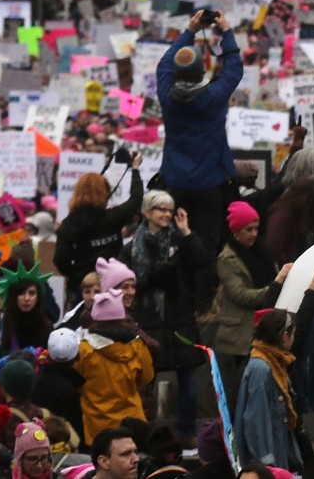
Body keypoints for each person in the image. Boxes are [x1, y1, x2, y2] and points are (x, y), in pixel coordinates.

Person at [157, 9, 245, 255]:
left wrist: (190, 30)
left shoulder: (166, 95)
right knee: (207, 243)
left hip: (176, 180)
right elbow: (234, 69)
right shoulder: (215, 96)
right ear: (201, 72)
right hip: (210, 183)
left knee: (176, 240)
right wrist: (226, 32)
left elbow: (164, 63)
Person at [127, 190, 213, 437]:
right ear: (146, 213)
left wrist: (186, 231)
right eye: (160, 209)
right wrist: (150, 281)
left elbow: (202, 261)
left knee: (188, 381)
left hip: (179, 320)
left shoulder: (180, 240)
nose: (166, 214)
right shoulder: (133, 246)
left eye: (169, 209)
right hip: (148, 321)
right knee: (146, 384)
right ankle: (145, 435)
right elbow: (126, 283)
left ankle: (187, 434)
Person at [204, 202, 300, 415]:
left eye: (257, 228)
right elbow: (240, 294)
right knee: (237, 396)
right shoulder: (227, 259)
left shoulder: (263, 252)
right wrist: (275, 287)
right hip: (239, 337)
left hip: (264, 330)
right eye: (248, 229)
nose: (254, 234)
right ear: (236, 231)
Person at [75, 289, 154, 441]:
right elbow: (146, 377)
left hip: (96, 425)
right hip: (132, 423)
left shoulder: (85, 350)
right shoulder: (138, 346)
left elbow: (76, 380)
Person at [53, 169, 143, 293]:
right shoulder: (113, 217)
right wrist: (135, 169)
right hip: (114, 284)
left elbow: (60, 259)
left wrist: (76, 274)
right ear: (104, 194)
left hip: (83, 287)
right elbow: (136, 198)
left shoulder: (67, 225)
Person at [236, 309, 303, 470]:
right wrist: (266, 465)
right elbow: (255, 422)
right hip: (267, 466)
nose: (294, 338)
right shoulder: (261, 369)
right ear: (285, 336)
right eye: (292, 333)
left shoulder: (275, 363)